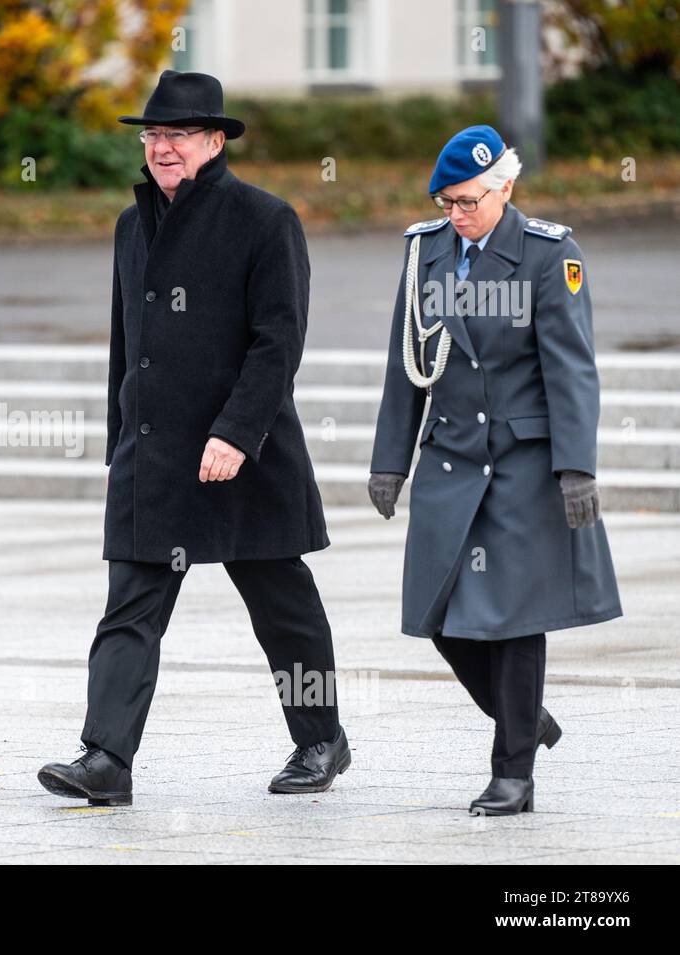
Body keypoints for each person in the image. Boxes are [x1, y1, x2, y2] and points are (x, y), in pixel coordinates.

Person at [37, 70, 349, 807]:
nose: (161, 148)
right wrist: (120, 447)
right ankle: (106, 756)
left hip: (246, 453)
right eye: (152, 135)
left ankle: (321, 738)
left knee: (282, 603)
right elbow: (126, 347)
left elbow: (279, 342)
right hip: (156, 455)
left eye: (177, 135)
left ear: (214, 141)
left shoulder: (265, 220)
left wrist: (238, 432)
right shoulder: (130, 225)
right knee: (129, 606)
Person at [368, 124, 623, 815]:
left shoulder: (548, 254)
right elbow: (406, 364)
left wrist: (577, 466)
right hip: (450, 460)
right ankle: (526, 718)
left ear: (504, 188)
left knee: (514, 620)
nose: (457, 213)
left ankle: (512, 771)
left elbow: (572, 367)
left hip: (523, 462)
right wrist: (390, 459)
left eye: (468, 201)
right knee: (438, 617)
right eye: (447, 201)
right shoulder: (425, 252)